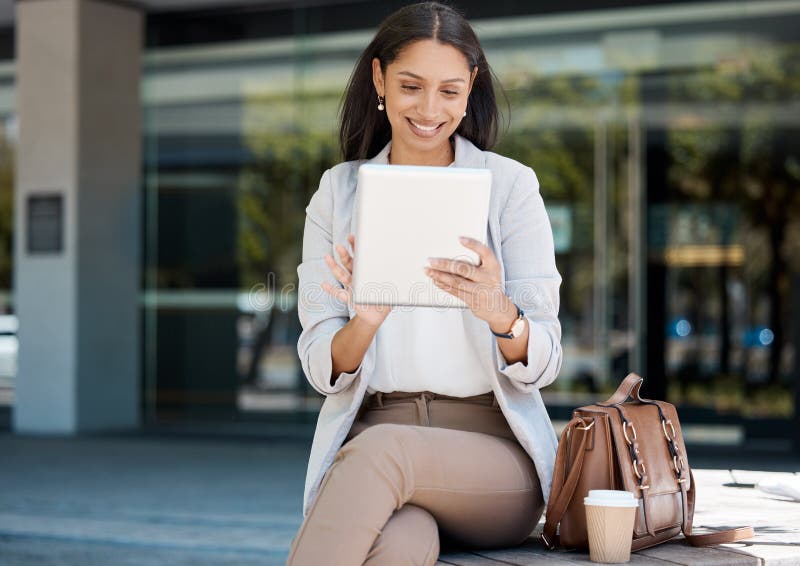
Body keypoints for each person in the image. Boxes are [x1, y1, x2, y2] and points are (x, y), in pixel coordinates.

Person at [286, 3, 562, 564]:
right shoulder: (338, 195)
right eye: (411, 86)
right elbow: (321, 366)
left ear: (471, 88)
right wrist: (363, 322)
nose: (430, 109)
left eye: (449, 90)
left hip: (491, 459)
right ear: (379, 78)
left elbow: (547, 360)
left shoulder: (508, 187)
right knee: (400, 543)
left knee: (383, 451)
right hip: (379, 449)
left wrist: (500, 313)